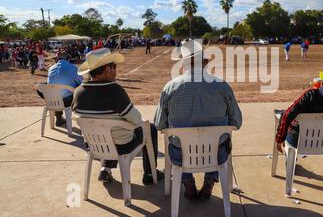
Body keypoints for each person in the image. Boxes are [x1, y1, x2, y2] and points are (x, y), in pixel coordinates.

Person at [154, 39, 242, 201]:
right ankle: (210, 179)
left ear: (184, 64)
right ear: (205, 63)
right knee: (220, 142)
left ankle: (187, 181)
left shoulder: (170, 87)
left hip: (181, 154)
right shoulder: (222, 87)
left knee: (179, 145)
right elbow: (237, 122)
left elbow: (160, 124)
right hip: (216, 154)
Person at [72, 48, 163, 185]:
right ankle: (149, 174)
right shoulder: (115, 91)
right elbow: (137, 120)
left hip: (93, 144)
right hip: (122, 146)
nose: (116, 70)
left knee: (105, 131)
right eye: (115, 66)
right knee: (149, 128)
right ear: (108, 70)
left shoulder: (78, 92)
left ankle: (105, 168)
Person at [276, 66, 323, 153]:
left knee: (284, 116)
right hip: (322, 141)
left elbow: (287, 115)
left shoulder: (310, 95)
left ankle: (291, 161)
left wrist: (280, 139)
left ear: (322, 83)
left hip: (297, 141)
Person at [37, 52, 83, 127]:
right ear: (68, 59)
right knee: (78, 88)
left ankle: (58, 117)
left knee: (52, 89)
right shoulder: (73, 68)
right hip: (67, 101)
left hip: (52, 100)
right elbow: (81, 82)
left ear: (57, 59)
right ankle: (82, 115)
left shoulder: (51, 68)